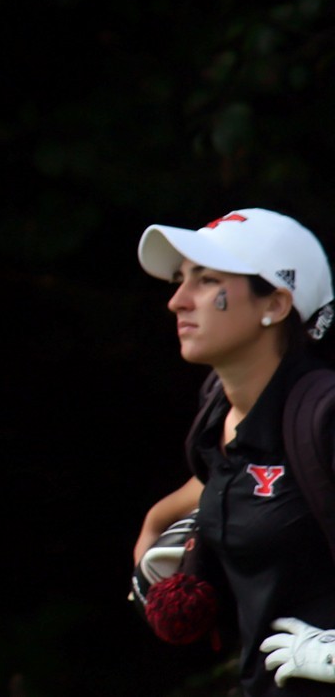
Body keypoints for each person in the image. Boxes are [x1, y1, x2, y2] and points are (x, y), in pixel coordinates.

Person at [133, 208, 335, 695]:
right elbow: (221, 479)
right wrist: (153, 525)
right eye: (181, 280)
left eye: (205, 281)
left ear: (277, 304)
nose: (177, 301)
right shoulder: (218, 414)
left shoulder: (324, 417)